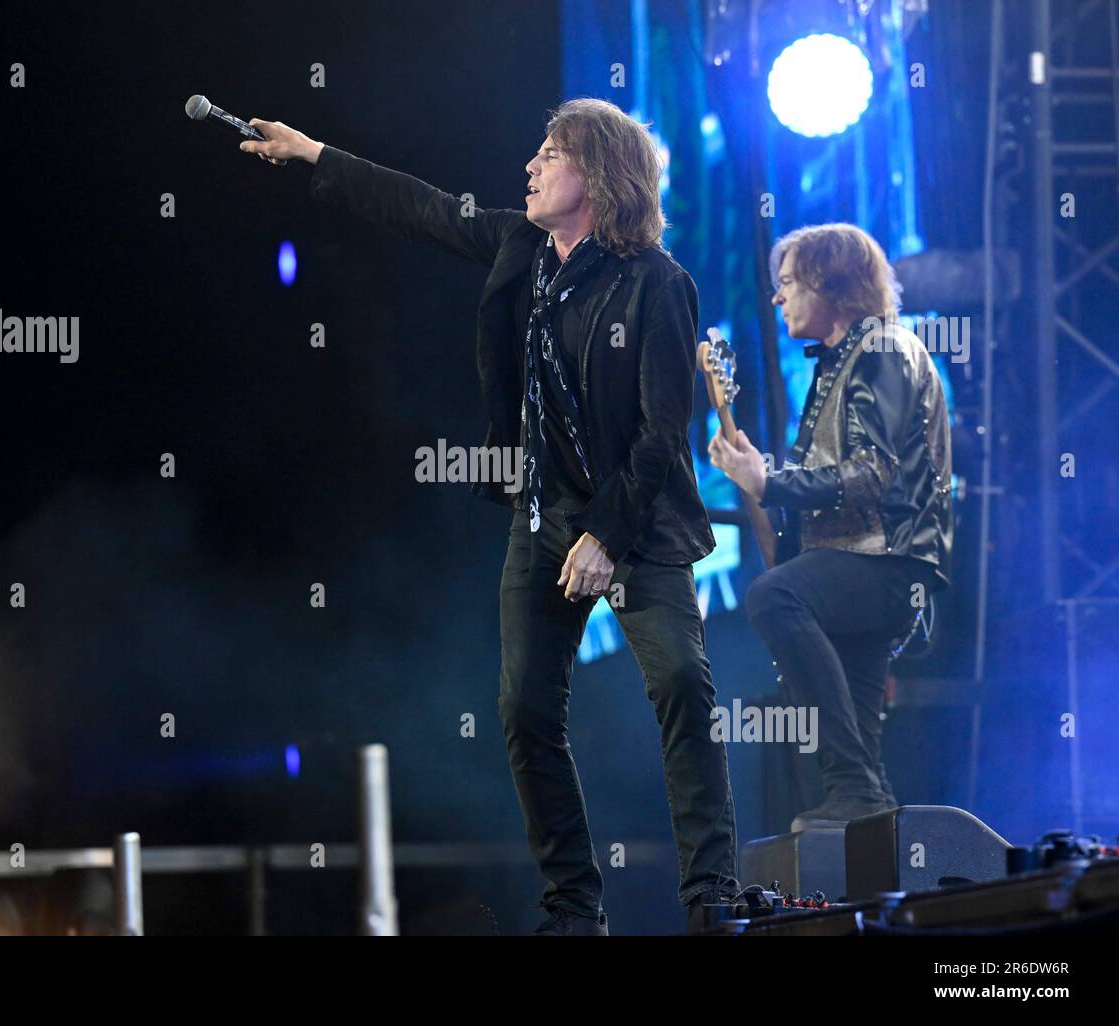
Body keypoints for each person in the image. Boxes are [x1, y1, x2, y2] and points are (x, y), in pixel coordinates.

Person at [241, 98, 738, 935]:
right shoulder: (522, 247)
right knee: (524, 712)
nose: (531, 168)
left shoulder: (658, 282)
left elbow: (661, 437)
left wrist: (607, 537)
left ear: (598, 173)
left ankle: (712, 891)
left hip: (635, 522)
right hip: (543, 516)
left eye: (549, 154)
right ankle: (574, 905)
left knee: (683, 683)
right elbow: (424, 207)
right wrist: (314, 152)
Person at [709, 223, 952, 832]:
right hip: (858, 564)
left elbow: (874, 475)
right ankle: (876, 847)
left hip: (887, 562)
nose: (776, 297)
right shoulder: (842, 363)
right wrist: (759, 474)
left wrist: (768, 483)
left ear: (829, 282)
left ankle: (855, 791)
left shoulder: (884, 351)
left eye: (788, 282)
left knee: (775, 595)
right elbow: (831, 480)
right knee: (863, 775)